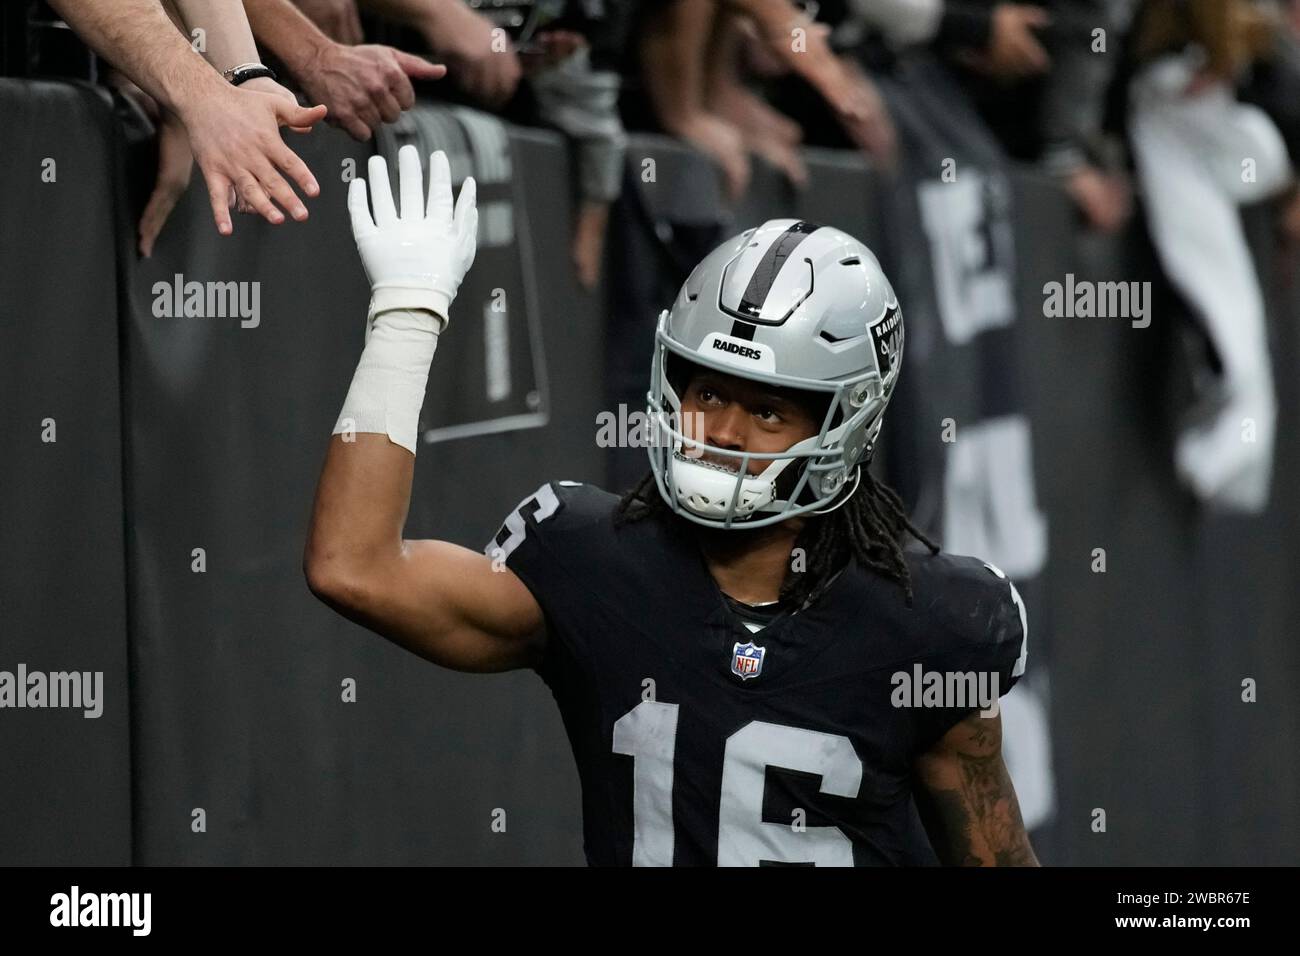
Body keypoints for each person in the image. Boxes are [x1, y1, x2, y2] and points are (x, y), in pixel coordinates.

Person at [304, 147, 1038, 866]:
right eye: (709, 391)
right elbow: (354, 569)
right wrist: (407, 312)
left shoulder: (933, 623)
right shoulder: (592, 560)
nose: (721, 432)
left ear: (847, 421)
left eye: (769, 410)